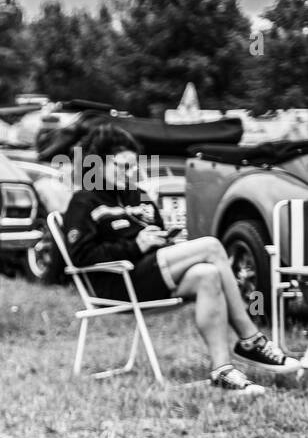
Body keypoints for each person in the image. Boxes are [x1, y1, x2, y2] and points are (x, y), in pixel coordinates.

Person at [62, 123, 300, 394]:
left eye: (133, 167)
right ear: (99, 164)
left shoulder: (137, 195)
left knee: (208, 275)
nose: (129, 174)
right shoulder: (85, 201)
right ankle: (251, 339)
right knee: (211, 247)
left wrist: (161, 238)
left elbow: (159, 230)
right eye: (121, 166)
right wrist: (136, 245)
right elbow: (79, 256)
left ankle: (222, 370)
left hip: (153, 272)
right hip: (119, 282)